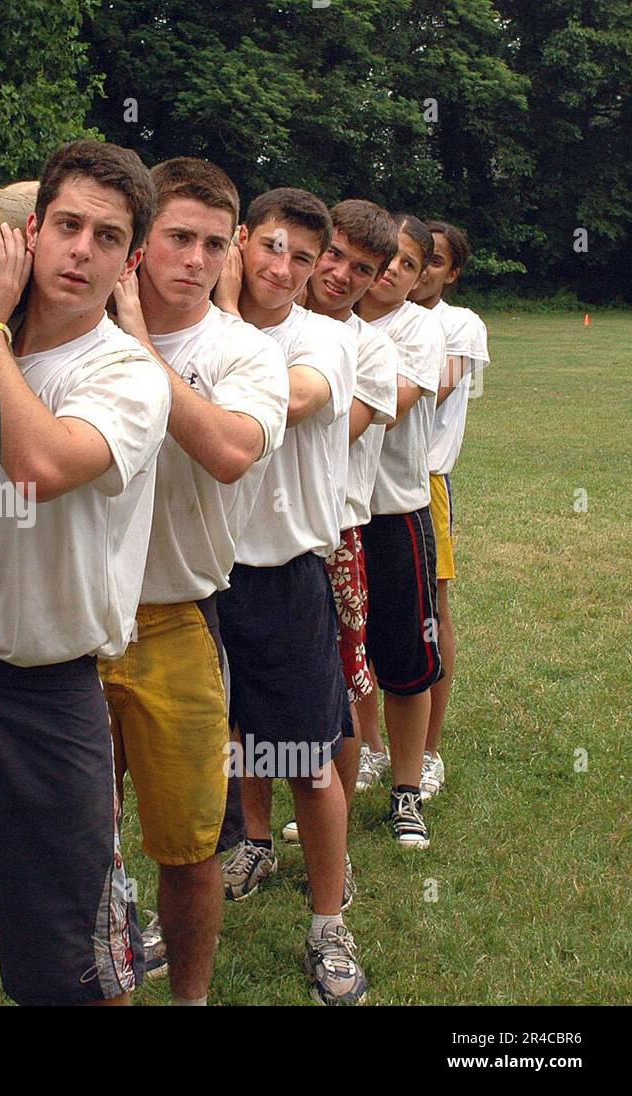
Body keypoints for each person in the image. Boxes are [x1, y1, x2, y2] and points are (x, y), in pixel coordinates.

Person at [0, 139, 169, 1005]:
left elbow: (40, 468)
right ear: (31, 231)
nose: (82, 249)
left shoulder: (126, 373)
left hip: (51, 696)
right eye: (68, 225)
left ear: (129, 261)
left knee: (76, 964)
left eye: (108, 236)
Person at [100, 158, 288, 1004]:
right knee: (72, 839)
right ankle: (92, 979)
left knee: (190, 845)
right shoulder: (70, 324)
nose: (197, 259)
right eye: (178, 237)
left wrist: (138, 346)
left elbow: (227, 452)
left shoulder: (245, 350)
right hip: (71, 620)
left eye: (215, 244)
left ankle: (192, 997)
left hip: (179, 615)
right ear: (141, 240)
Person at [213, 188, 367, 1005]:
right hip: (201, 575)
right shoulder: (205, 323)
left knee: (307, 761)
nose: (284, 268)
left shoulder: (326, 341)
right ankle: (255, 846)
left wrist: (215, 321)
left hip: (285, 573)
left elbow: (286, 399)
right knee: (237, 739)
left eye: (302, 258)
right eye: (270, 246)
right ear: (242, 240)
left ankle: (328, 923)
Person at [278, 201, 400, 906]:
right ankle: (255, 837)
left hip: (333, 534)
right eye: (334, 255)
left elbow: (331, 430)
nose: (342, 274)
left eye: (364, 268)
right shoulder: (259, 319)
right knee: (248, 701)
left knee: (344, 691)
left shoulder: (370, 348)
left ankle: (336, 840)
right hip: (248, 538)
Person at [355, 213, 447, 849]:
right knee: (339, 659)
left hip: (394, 515)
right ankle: (356, 760)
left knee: (405, 661)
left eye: (409, 264)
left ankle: (406, 790)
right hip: (330, 520)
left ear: (418, 279)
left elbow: (389, 408)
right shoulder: (323, 313)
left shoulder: (419, 329)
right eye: (385, 256)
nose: (391, 270)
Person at [409, 221, 489, 799]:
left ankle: (429, 750)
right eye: (414, 260)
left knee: (431, 610)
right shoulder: (367, 318)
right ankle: (375, 750)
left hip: (424, 481)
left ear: (451, 272)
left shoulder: (458, 325)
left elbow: (426, 391)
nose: (421, 271)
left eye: (434, 262)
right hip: (359, 486)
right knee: (359, 617)